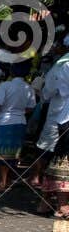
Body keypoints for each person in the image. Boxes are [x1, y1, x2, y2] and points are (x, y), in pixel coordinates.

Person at [0, 63, 36, 190]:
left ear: (12, 71)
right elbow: (31, 107)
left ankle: (2, 182)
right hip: (20, 121)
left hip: (5, 121)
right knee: (14, 152)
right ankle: (8, 179)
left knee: (2, 152)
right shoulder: (28, 87)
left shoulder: (5, 85)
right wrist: (19, 111)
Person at [38, 46, 69, 217]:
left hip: (61, 116)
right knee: (61, 161)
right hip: (64, 117)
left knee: (57, 160)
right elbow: (51, 90)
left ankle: (47, 203)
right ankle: (61, 205)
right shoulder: (65, 64)